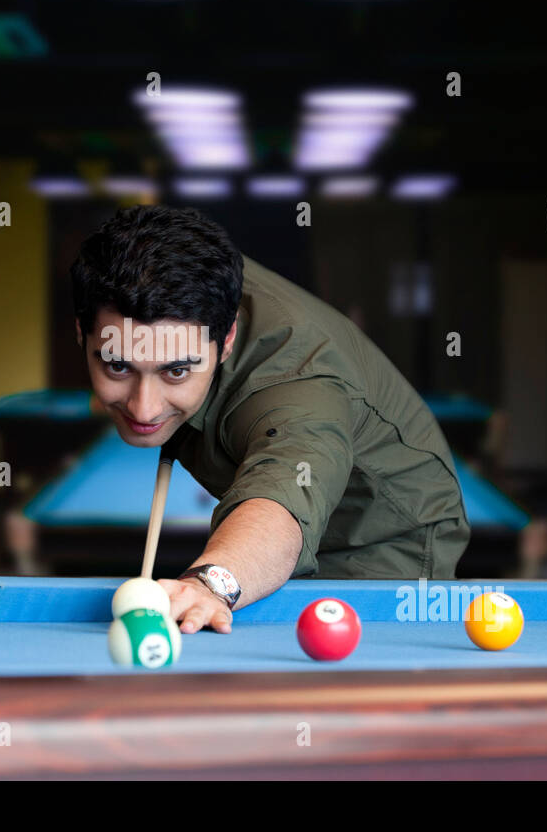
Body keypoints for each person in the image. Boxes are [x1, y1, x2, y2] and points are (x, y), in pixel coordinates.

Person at [70, 205, 471, 633]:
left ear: (226, 341)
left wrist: (212, 583)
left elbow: (284, 495)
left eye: (176, 371)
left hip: (379, 536)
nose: (143, 408)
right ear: (82, 333)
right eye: (119, 367)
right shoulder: (168, 280)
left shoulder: (296, 385)